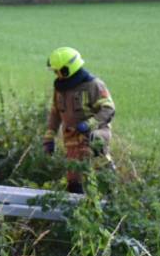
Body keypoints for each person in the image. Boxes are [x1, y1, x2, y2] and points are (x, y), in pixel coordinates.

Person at [42, 47, 115, 193]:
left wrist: (90, 125)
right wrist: (49, 137)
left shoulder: (93, 85)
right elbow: (55, 113)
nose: (56, 75)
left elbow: (108, 108)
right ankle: (77, 209)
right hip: (72, 140)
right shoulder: (60, 88)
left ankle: (111, 196)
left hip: (94, 135)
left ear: (68, 69)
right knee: (74, 180)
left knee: (100, 170)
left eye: (58, 71)